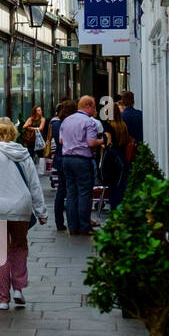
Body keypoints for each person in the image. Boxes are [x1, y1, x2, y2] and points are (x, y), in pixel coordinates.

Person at [0, 117, 47, 310]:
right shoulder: (23, 153)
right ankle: (19, 289)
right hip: (21, 208)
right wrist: (41, 211)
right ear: (13, 133)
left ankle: (3, 299)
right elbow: (34, 185)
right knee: (19, 248)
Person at [60, 95, 107, 235]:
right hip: (82, 160)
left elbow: (61, 141)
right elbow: (91, 143)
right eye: (94, 107)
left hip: (67, 159)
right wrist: (101, 140)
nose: (95, 110)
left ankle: (73, 227)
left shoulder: (66, 120)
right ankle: (84, 226)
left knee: (71, 193)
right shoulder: (89, 122)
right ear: (88, 106)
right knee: (84, 193)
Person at [49, 99, 76, 230]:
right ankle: (62, 221)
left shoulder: (56, 123)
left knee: (62, 191)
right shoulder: (60, 124)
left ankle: (59, 221)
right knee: (65, 190)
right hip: (64, 158)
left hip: (60, 159)